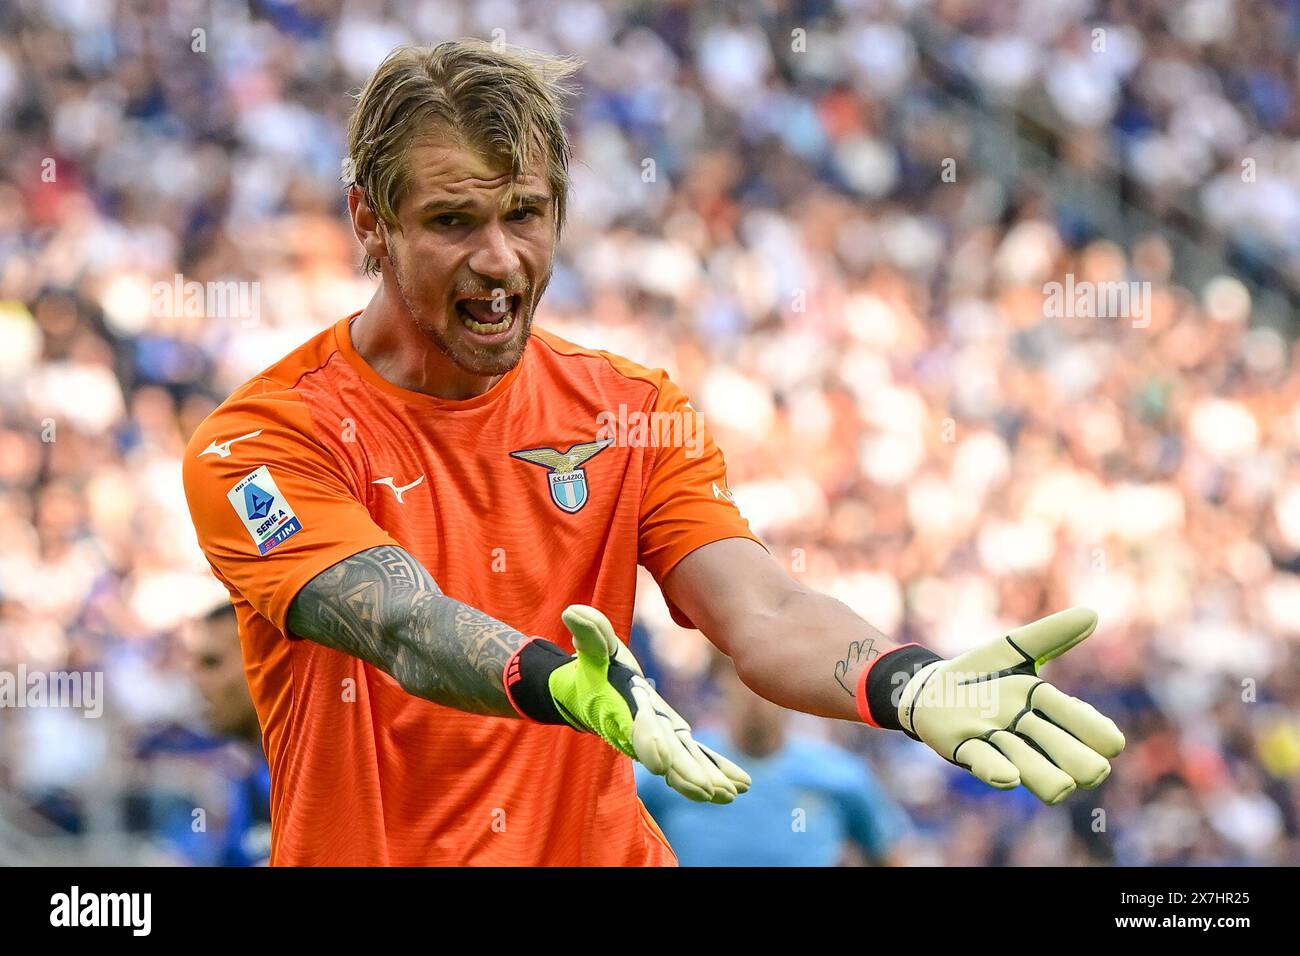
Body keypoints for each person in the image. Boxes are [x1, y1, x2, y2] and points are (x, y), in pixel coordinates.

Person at [181, 39, 1125, 866]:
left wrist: (904, 682)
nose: (502, 257)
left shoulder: (630, 411)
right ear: (367, 222)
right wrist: (559, 684)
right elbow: (402, 625)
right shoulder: (261, 440)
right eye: (452, 221)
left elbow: (762, 611)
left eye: (526, 212)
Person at [636, 658, 910, 866]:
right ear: (722, 680)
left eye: (771, 680)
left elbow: (889, 852)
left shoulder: (839, 775)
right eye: (743, 677)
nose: (756, 696)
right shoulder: (673, 764)